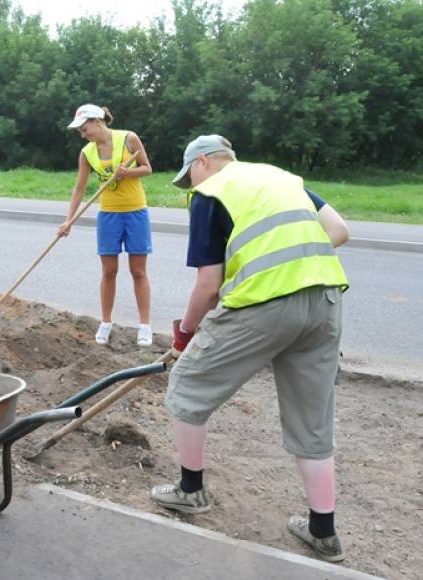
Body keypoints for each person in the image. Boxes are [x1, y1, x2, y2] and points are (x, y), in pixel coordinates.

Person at [150, 135, 350, 562]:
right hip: (325, 301)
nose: (190, 185)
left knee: (186, 386)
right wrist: (286, 261)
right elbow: (339, 230)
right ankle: (323, 532)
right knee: (312, 420)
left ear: (203, 162)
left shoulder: (211, 192)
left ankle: (190, 491)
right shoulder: (280, 177)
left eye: (189, 177)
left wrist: (184, 336)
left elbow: (208, 284)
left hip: (266, 304)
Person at [60, 104, 154, 347]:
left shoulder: (128, 138)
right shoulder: (86, 152)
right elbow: (79, 188)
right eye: (80, 131)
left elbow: (147, 168)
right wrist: (68, 220)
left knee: (138, 271)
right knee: (109, 270)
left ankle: (144, 326)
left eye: (84, 129)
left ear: (97, 121)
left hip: (135, 212)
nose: (83, 134)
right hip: (109, 215)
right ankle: (106, 322)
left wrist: (128, 173)